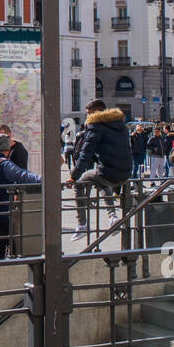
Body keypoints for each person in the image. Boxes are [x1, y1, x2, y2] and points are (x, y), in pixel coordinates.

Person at [66, 100, 133, 241]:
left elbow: (86, 153)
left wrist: (73, 176)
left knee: (80, 182)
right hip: (126, 173)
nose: (87, 116)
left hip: (109, 172)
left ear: (96, 112)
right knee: (100, 179)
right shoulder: (120, 124)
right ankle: (112, 217)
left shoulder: (96, 125)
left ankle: (82, 225)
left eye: (88, 113)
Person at [0, 132, 43, 260]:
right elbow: (22, 176)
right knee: (0, 251)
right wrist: (43, 179)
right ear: (7, 149)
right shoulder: (3, 164)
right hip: (0, 215)